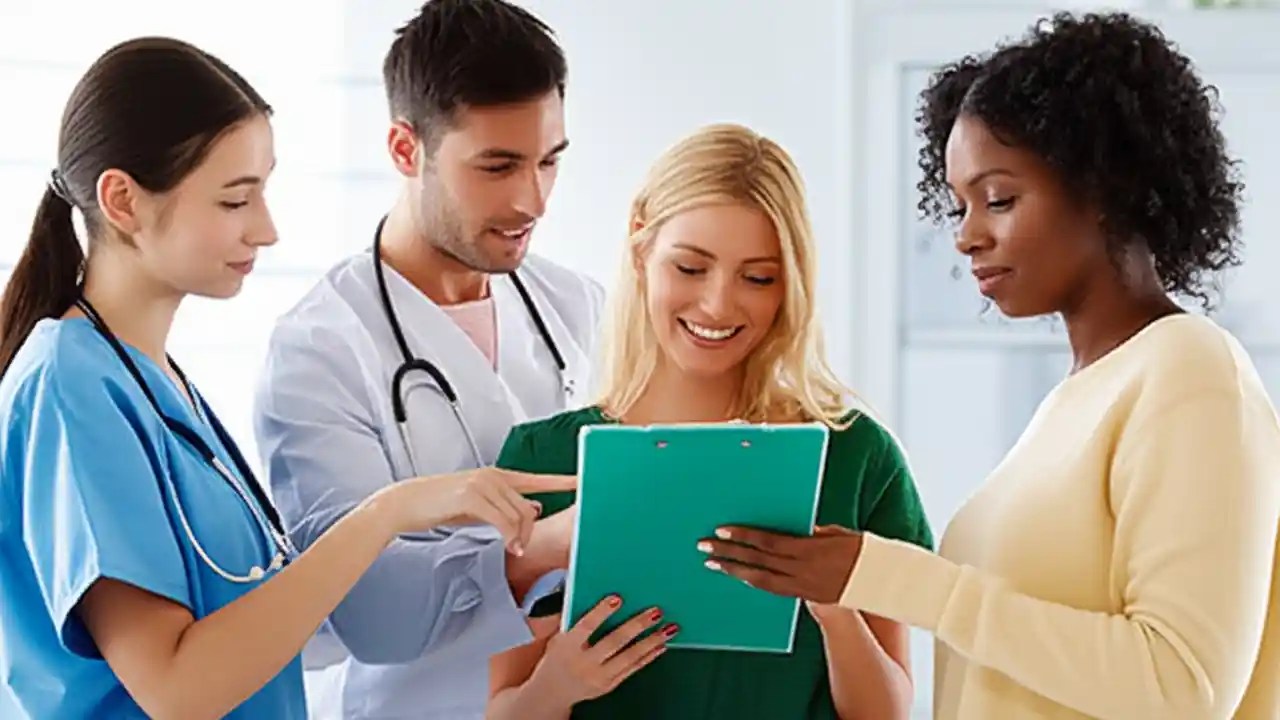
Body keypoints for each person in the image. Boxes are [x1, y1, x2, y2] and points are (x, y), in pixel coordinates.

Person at [696, 12, 1280, 720]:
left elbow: (1180, 688)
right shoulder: (1078, 397)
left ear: (1106, 185)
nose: (968, 236)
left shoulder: (1190, 370)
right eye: (958, 206)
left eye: (999, 199)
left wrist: (887, 577)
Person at [0, 37, 566, 720]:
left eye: (263, 191)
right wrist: (390, 512)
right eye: (235, 201)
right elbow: (179, 689)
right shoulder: (71, 386)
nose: (267, 230)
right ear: (122, 200)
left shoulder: (157, 381)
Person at [487, 123, 935, 719]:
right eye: (691, 268)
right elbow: (504, 708)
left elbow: (887, 713)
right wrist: (559, 684)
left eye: (758, 277)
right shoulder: (542, 464)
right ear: (640, 245)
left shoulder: (856, 458)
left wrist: (835, 611)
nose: (719, 305)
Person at [251, 0, 603, 716]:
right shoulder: (320, 350)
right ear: (406, 150)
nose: (532, 199)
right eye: (497, 166)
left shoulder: (581, 307)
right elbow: (364, 609)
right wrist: (541, 548)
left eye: (549, 162)